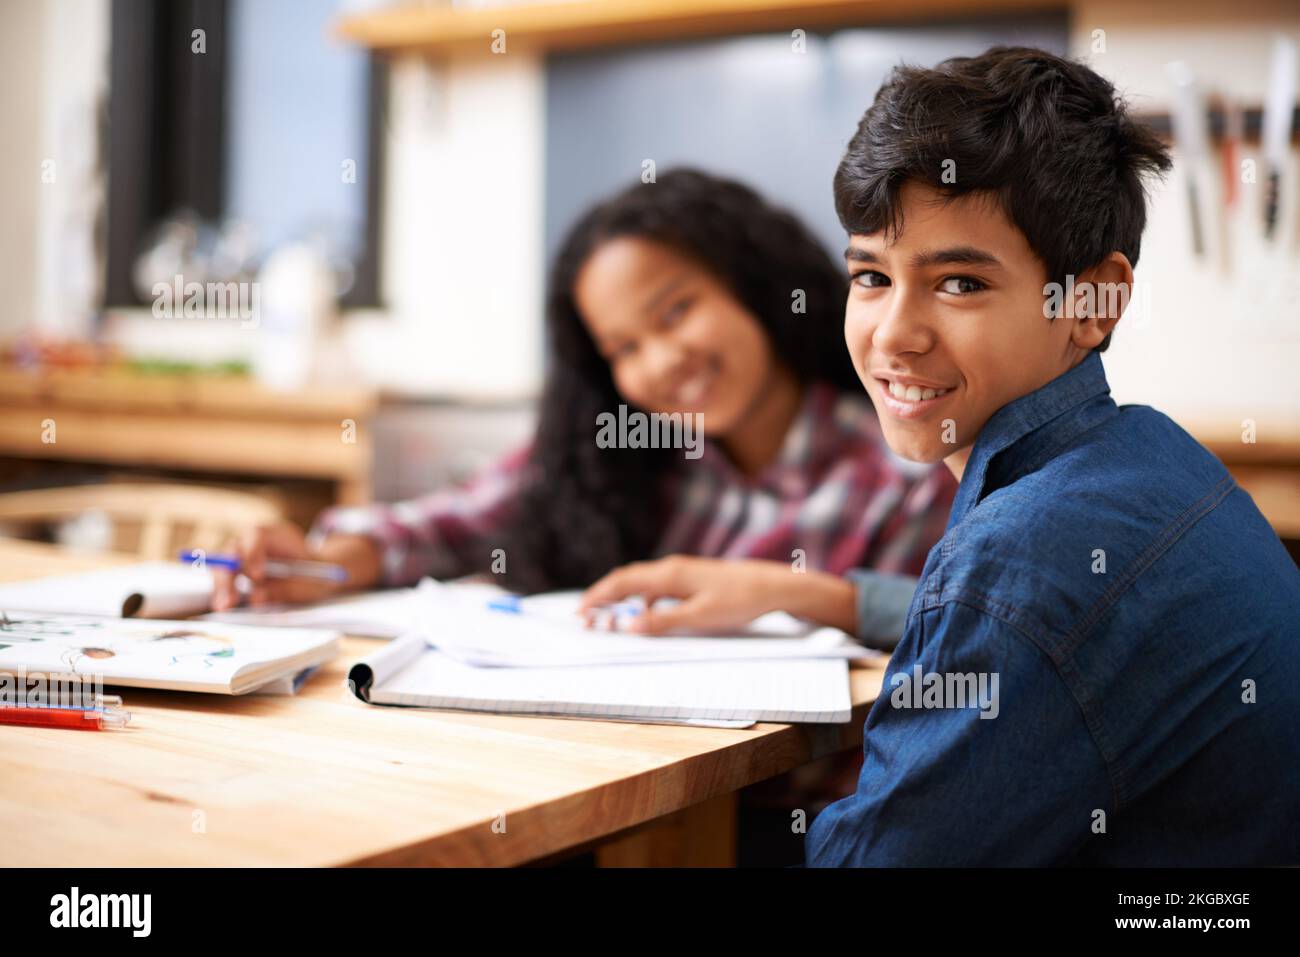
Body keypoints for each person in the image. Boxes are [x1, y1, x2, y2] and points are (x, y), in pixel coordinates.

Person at [800, 46, 1300, 865]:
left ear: (1093, 299)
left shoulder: (1026, 549)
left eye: (959, 282)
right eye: (871, 277)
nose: (894, 333)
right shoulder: (1152, 452)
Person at [212, 169, 955, 649]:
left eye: (677, 311)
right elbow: (460, 518)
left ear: (757, 287)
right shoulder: (632, 445)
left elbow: (926, 650)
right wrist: (331, 561)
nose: (661, 363)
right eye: (622, 347)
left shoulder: (902, 467)